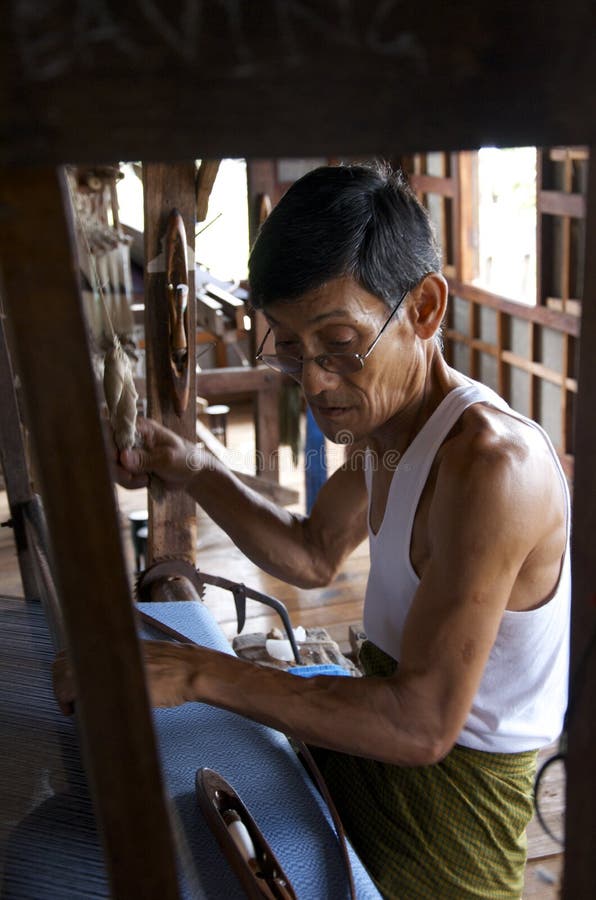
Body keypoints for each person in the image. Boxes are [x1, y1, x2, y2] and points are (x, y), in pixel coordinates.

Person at [54, 163, 570, 899]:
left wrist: (199, 673)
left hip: (449, 827)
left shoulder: (493, 470)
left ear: (423, 307)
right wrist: (195, 469)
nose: (317, 381)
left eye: (338, 344)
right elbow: (312, 552)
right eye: (291, 348)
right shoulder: (392, 428)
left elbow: (421, 724)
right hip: (384, 751)